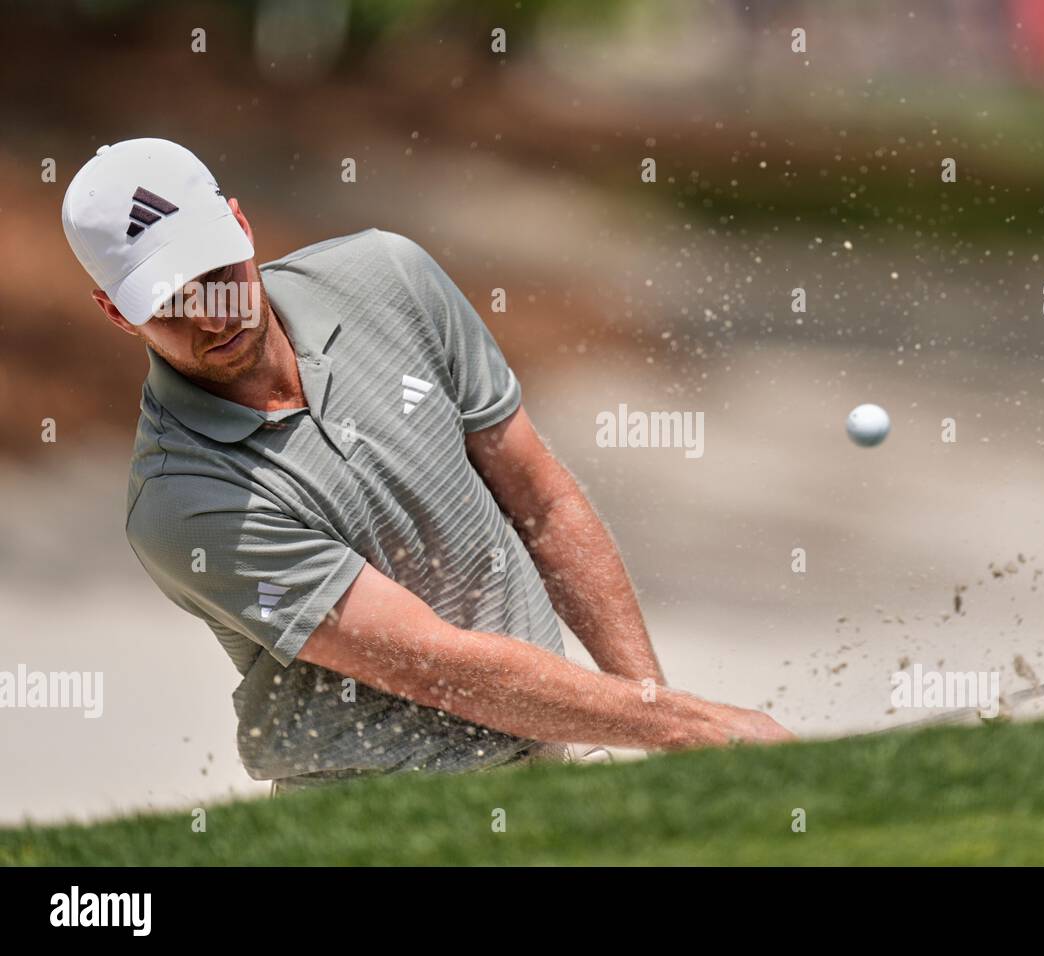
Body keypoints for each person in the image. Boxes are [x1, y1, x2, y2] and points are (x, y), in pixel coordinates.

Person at [61, 138, 794, 794]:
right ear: (117, 313)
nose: (212, 315)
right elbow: (433, 661)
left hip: (549, 765)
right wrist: (686, 727)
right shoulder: (180, 500)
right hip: (375, 814)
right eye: (169, 301)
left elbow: (540, 501)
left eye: (215, 272)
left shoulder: (389, 278)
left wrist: (655, 710)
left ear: (243, 227)